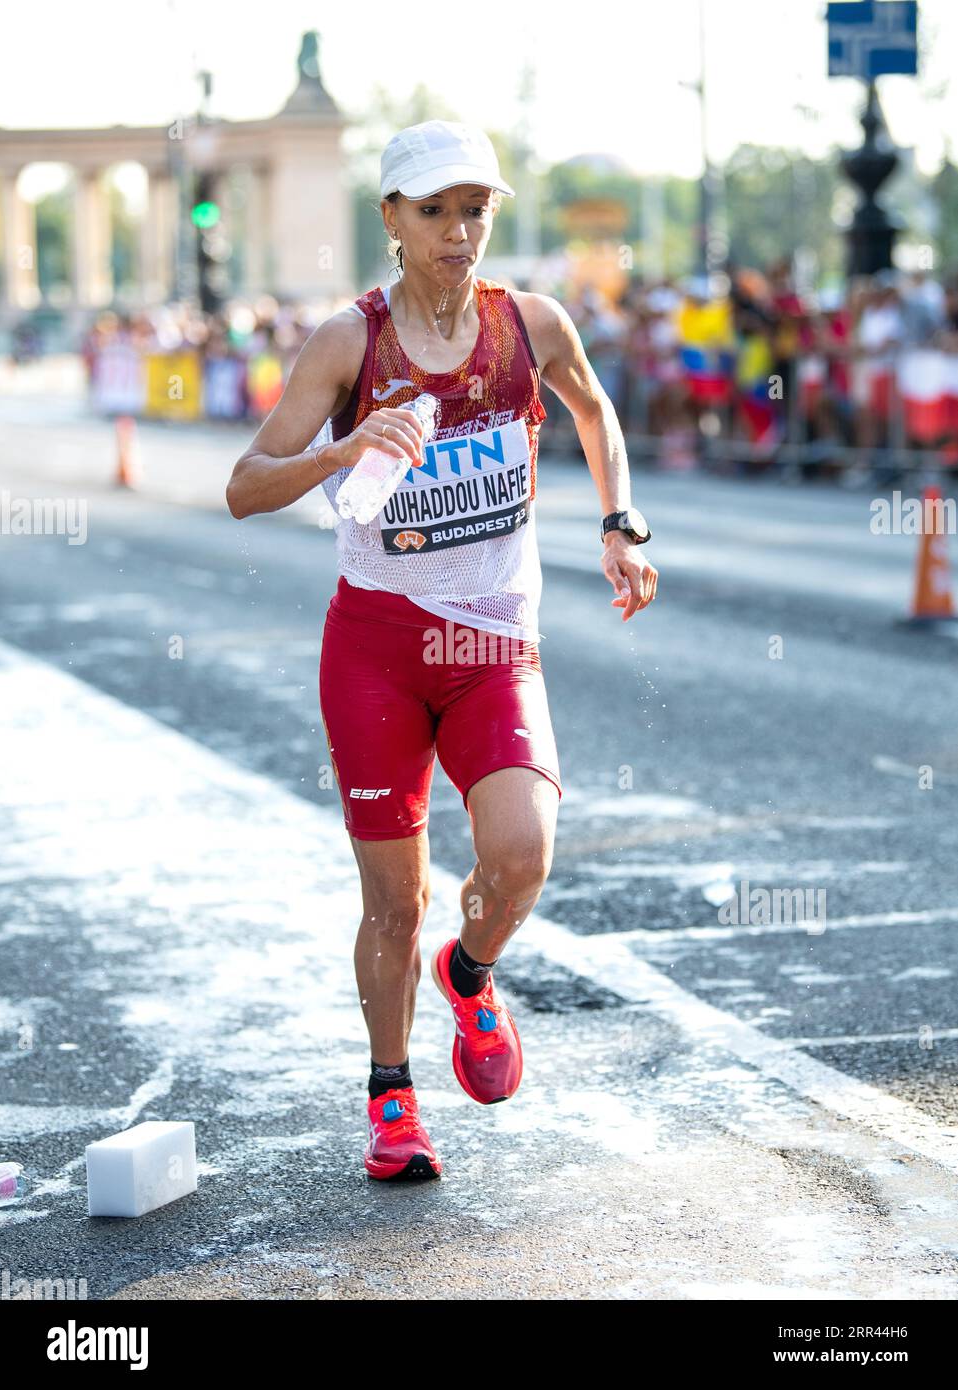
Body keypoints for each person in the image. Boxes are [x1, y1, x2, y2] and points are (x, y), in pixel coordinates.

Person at [225, 120, 658, 1181]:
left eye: (476, 209)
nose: (460, 231)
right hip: (374, 649)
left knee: (519, 855)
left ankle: (470, 971)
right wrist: (345, 445)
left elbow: (595, 410)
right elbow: (243, 485)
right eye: (434, 210)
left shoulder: (532, 325)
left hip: (493, 643)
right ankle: (392, 1099)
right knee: (393, 899)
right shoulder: (346, 343)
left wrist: (620, 521)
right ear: (391, 220)